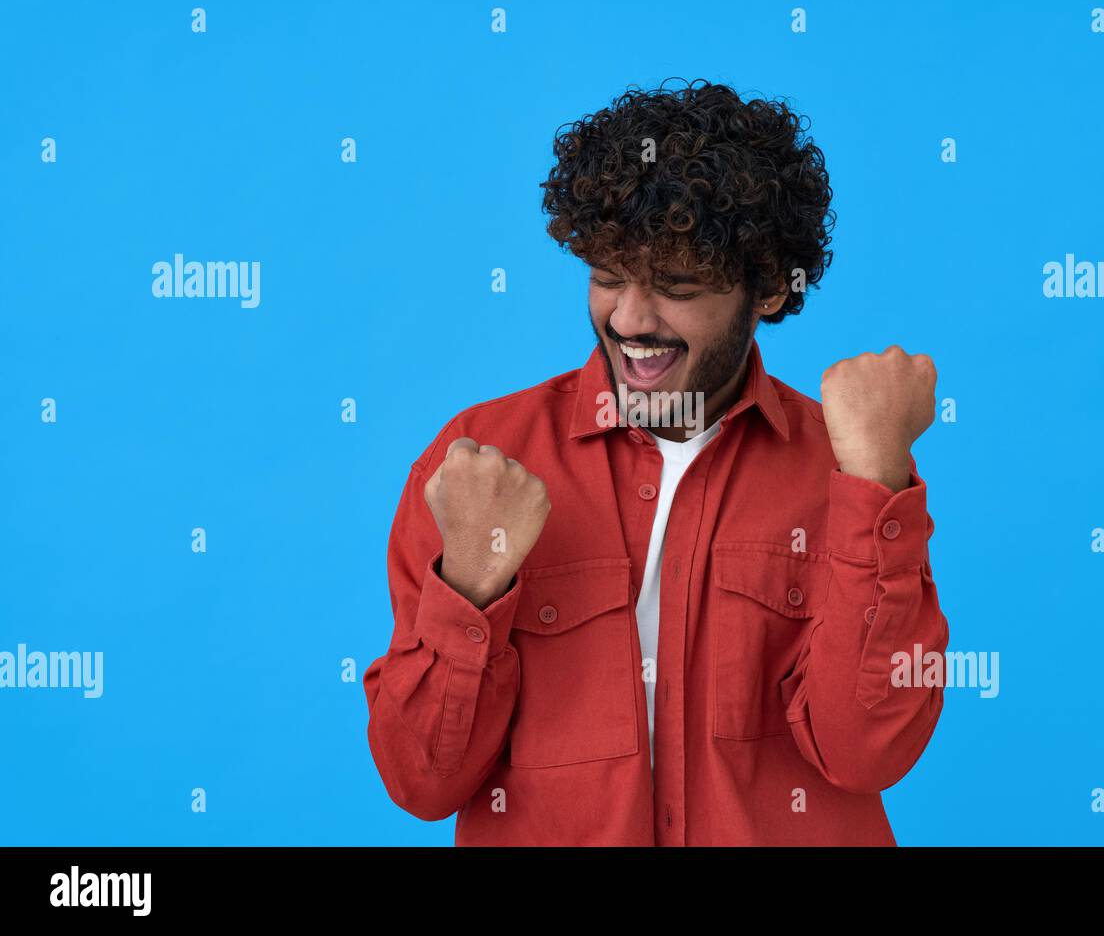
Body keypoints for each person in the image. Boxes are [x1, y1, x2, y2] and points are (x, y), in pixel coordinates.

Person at [363, 78, 949, 845]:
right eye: (609, 276)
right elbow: (421, 780)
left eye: (675, 286)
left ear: (768, 287)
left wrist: (876, 485)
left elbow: (867, 750)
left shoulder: (846, 467)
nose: (632, 320)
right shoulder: (480, 461)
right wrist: (472, 583)